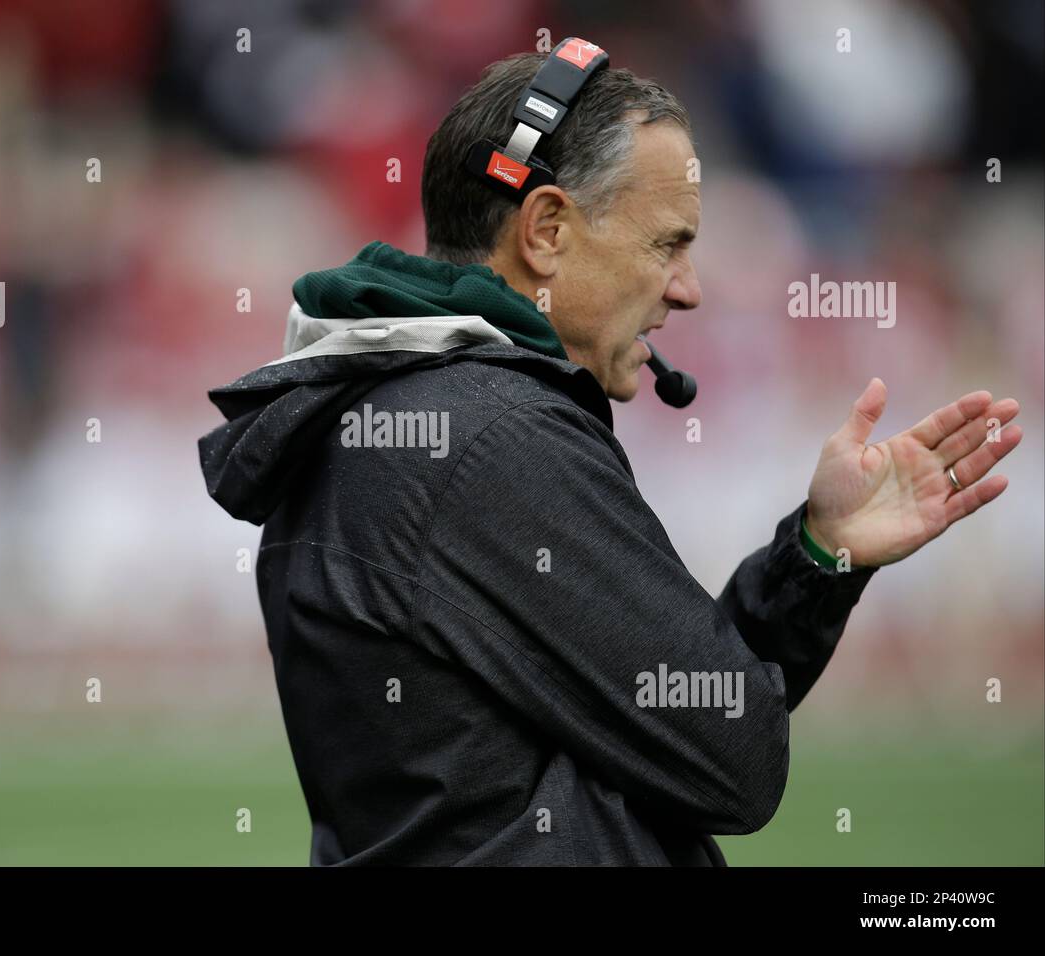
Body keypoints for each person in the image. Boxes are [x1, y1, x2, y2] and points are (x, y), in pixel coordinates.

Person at [198, 52, 1022, 865]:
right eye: (668, 243)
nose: (688, 288)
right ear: (547, 230)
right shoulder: (492, 438)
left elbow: (650, 709)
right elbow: (732, 756)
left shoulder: (403, 407)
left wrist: (813, 559)